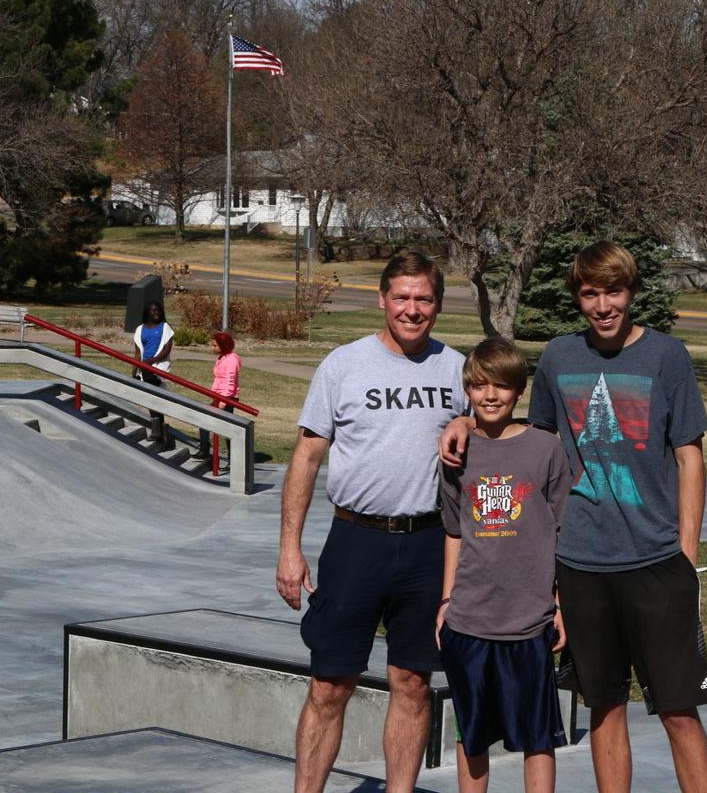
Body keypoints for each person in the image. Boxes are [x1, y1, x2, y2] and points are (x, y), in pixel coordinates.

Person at [440, 241, 707, 793]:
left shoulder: (667, 356)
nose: (603, 305)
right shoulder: (560, 358)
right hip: (580, 565)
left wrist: (687, 554)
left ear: (631, 292)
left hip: (656, 561)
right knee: (604, 706)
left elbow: (690, 457)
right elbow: (529, 437)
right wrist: (465, 424)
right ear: (578, 299)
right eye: (590, 294)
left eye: (613, 291)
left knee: (679, 711)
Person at [276, 251, 470, 793]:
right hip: (356, 540)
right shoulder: (343, 365)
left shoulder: (456, 369)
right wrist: (289, 547)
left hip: (429, 544)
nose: (412, 309)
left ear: (437, 304)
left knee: (412, 682)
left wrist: (469, 420)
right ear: (382, 300)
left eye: (424, 299)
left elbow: (492, 434)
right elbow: (307, 456)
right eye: (402, 297)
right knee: (329, 686)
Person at [437, 337, 573, 793]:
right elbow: (454, 533)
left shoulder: (545, 448)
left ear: (519, 391)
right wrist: (447, 600)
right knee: (471, 734)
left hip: (529, 622)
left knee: (539, 738)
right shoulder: (456, 451)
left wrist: (559, 605)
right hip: (471, 620)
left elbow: (560, 532)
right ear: (467, 391)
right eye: (478, 386)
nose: (489, 395)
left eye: (501, 386)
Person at [132, 300, 174, 443]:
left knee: (154, 399)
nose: (156, 313)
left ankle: (158, 432)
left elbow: (167, 349)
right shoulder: (140, 329)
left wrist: (151, 361)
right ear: (147, 313)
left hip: (158, 369)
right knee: (151, 400)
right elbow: (137, 352)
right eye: (153, 311)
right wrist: (134, 370)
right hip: (143, 369)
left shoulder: (165, 327)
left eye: (158, 310)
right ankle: (162, 431)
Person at [209, 331, 241, 474]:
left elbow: (230, 382)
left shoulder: (232, 360)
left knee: (228, 430)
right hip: (218, 397)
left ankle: (233, 461)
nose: (212, 348)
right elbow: (219, 379)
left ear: (223, 345)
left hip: (227, 399)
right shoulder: (222, 358)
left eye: (215, 345)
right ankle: (204, 450)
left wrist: (224, 401)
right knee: (205, 422)